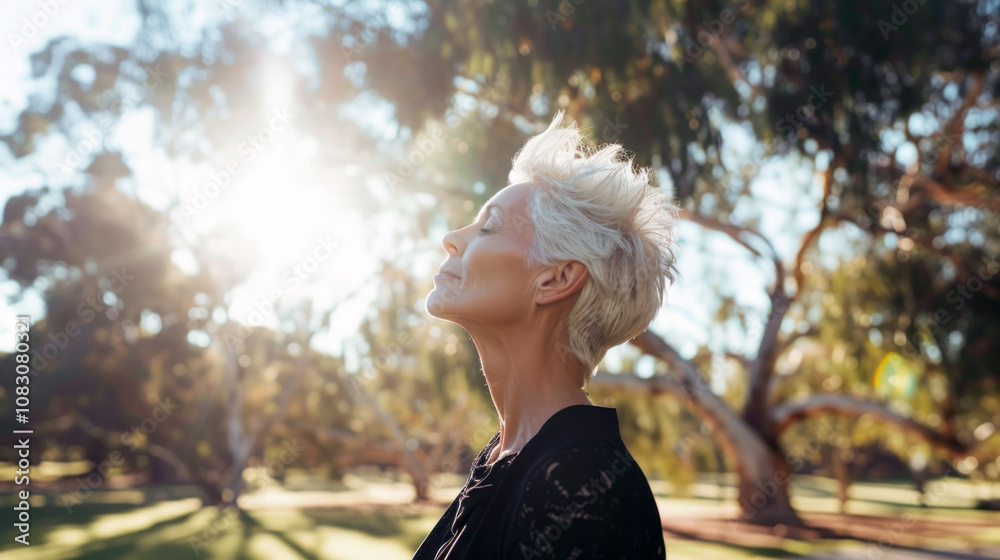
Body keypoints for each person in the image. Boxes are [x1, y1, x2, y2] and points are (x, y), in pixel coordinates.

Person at [412, 110, 679, 559]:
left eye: (489, 225)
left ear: (556, 279)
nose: (451, 238)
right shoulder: (505, 456)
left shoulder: (579, 487)